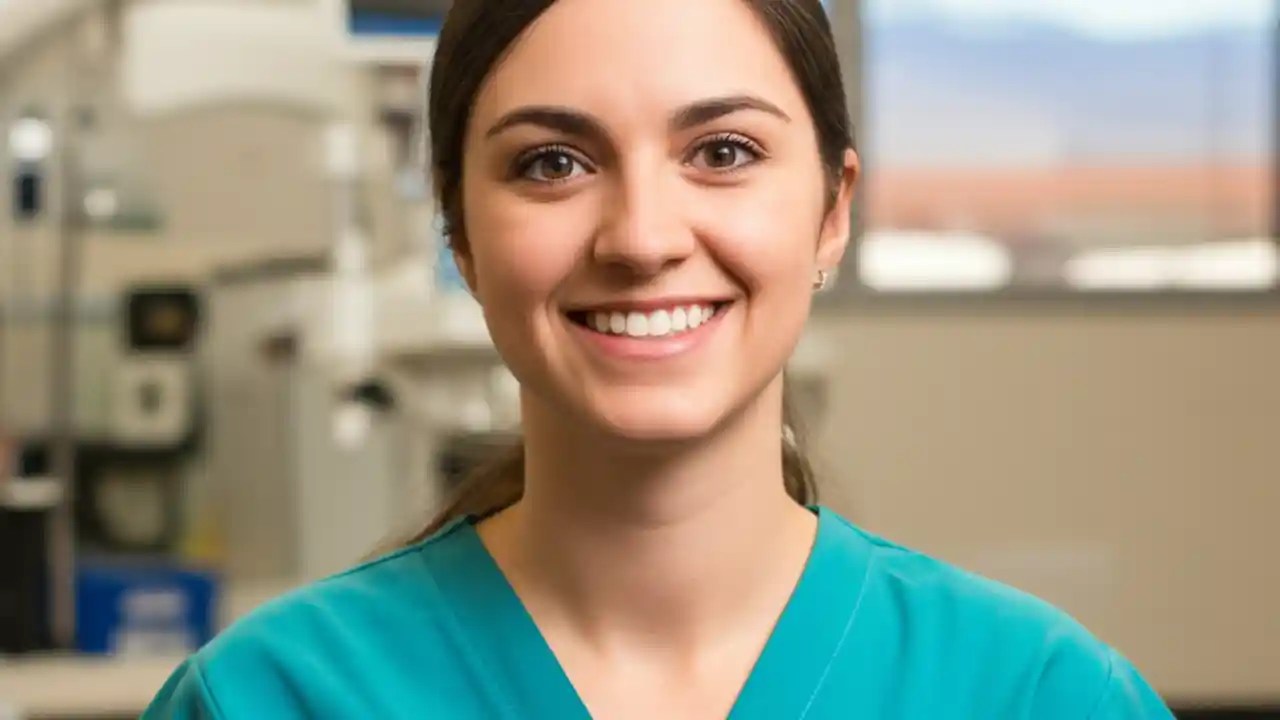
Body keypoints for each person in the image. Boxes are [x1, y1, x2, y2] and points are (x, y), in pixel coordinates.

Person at [144, 0, 1174, 717]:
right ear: (458, 232)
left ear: (830, 212)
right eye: (553, 163)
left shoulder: (1034, 696)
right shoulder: (272, 700)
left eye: (721, 152)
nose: (640, 237)